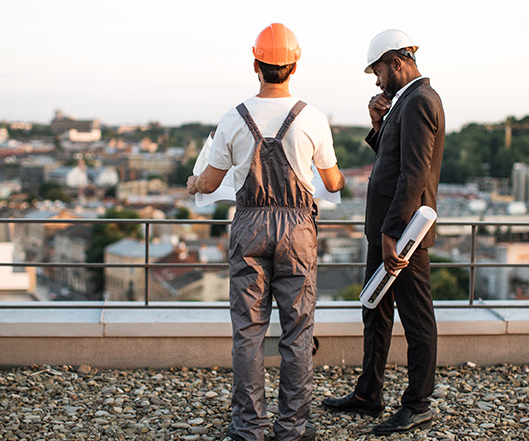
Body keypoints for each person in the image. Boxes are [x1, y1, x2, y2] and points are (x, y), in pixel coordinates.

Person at [187, 23, 345, 441]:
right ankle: (292, 428)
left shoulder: (233, 118)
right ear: (294, 65)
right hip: (297, 229)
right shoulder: (312, 117)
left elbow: (209, 181)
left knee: (249, 330)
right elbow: (332, 183)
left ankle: (249, 428)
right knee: (297, 330)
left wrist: (195, 182)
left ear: (256, 64)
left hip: (251, 224)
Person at [321, 29, 445, 436]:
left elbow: (415, 172)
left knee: (416, 317)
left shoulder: (421, 100)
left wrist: (393, 232)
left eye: (377, 71)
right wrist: (377, 126)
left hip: (403, 235)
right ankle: (368, 393)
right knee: (374, 310)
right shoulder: (403, 103)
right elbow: (394, 163)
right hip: (388, 231)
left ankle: (418, 404)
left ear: (396, 62)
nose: (376, 81)